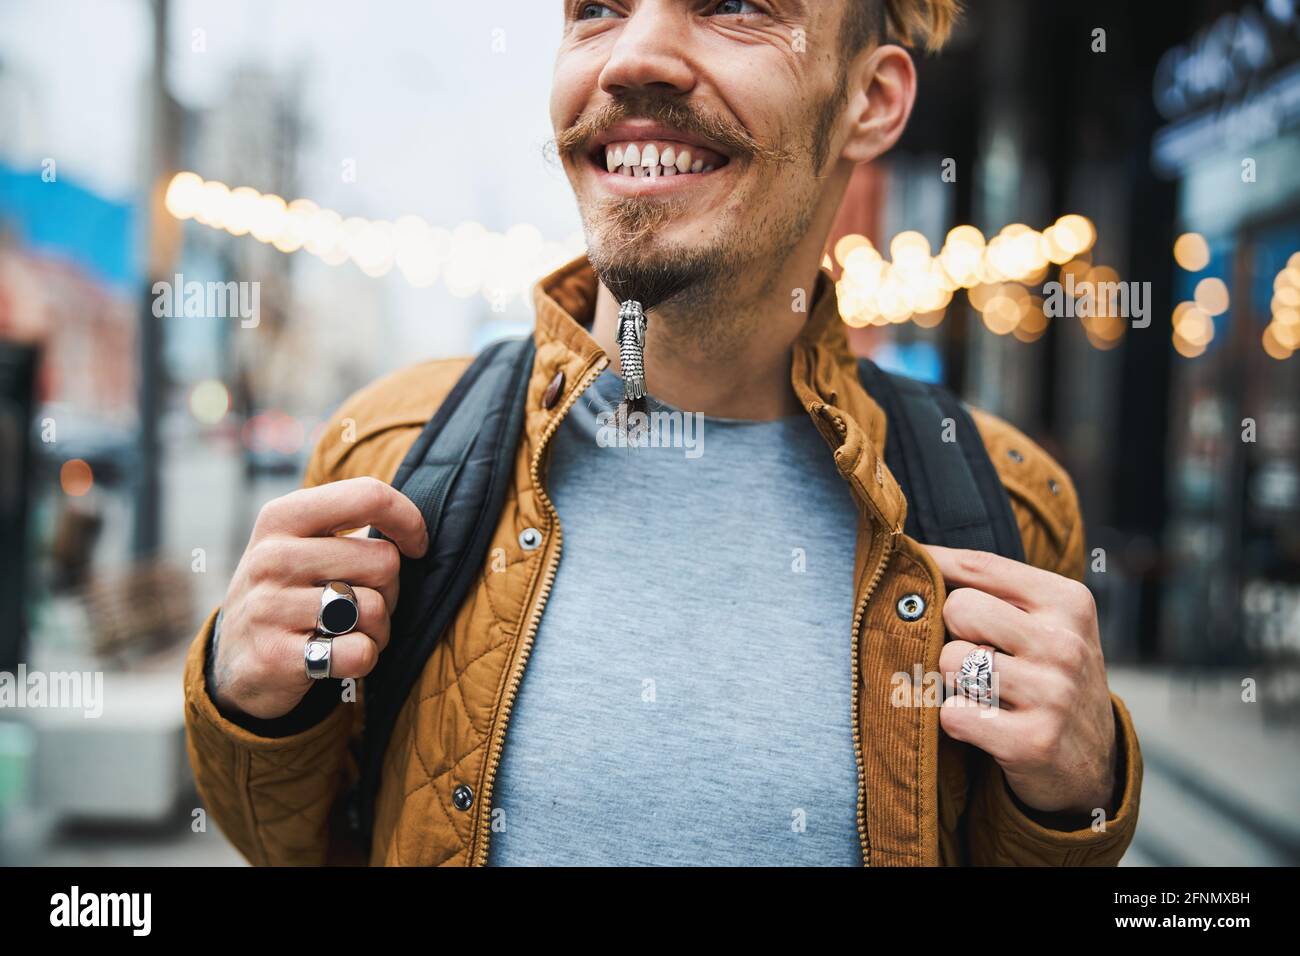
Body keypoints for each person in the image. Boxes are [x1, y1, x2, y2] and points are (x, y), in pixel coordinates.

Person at [184, 0, 1141, 866]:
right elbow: (294, 845)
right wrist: (248, 702)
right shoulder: (389, 453)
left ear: (873, 100)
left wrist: (1079, 801)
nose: (634, 56)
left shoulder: (1004, 504)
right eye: (595, 8)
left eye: (733, 6)